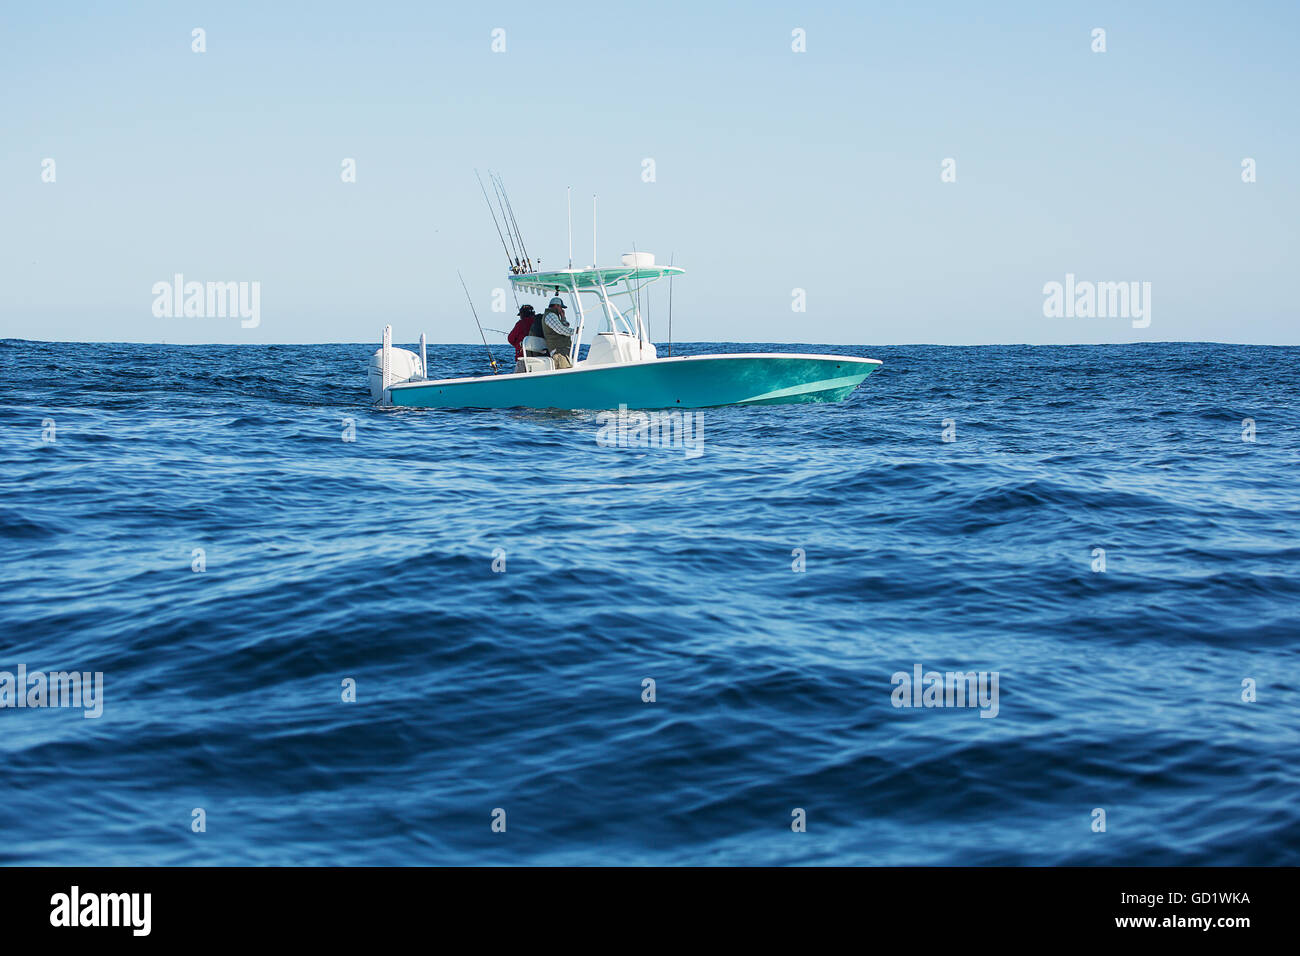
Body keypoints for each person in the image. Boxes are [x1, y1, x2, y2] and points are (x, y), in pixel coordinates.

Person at [541, 296, 575, 368]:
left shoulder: (555, 316)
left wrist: (563, 317)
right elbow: (561, 330)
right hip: (559, 352)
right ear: (556, 306)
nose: (561, 310)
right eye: (561, 307)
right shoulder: (550, 315)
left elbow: (564, 326)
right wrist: (575, 331)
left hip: (562, 351)